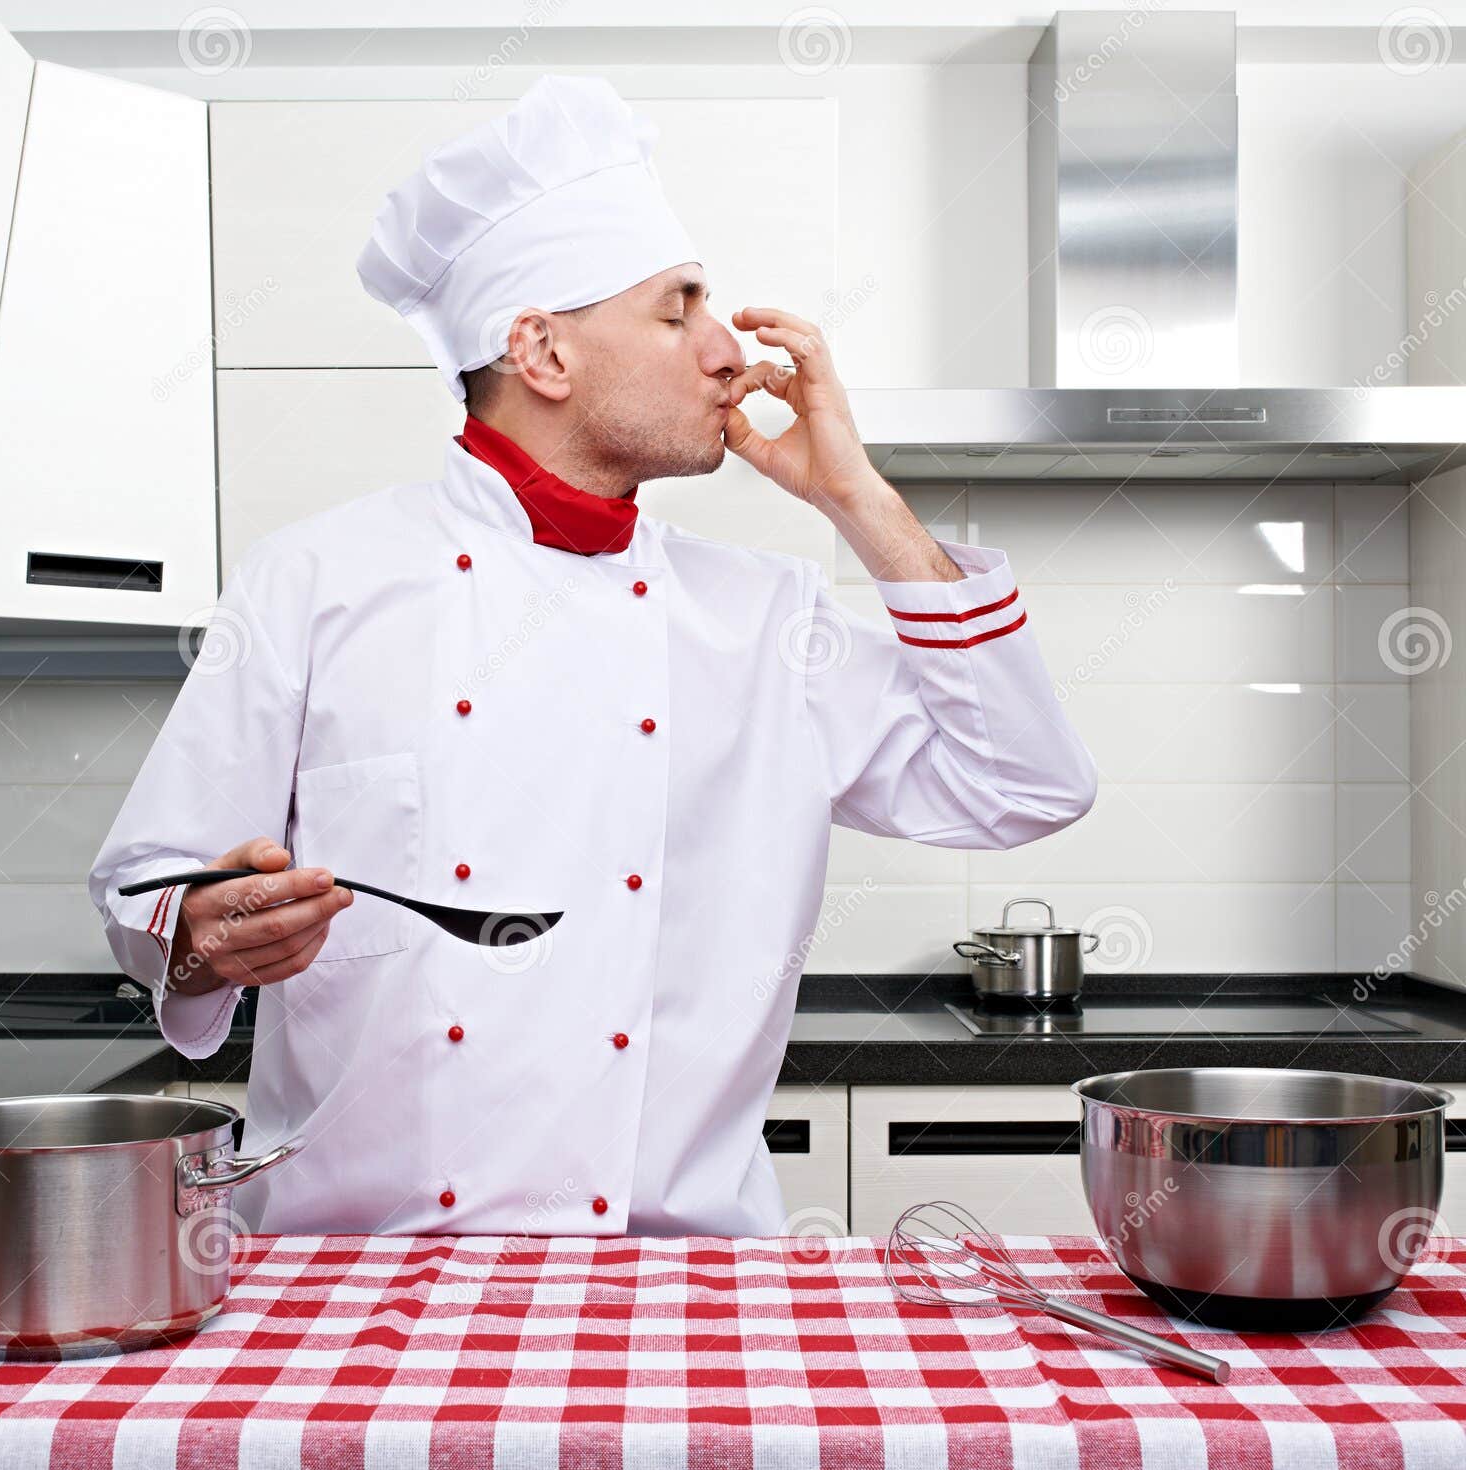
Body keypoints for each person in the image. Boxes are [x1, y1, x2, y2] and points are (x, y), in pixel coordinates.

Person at [87, 75, 1097, 1238]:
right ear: (542, 352)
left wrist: (860, 504)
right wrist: (205, 938)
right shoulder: (311, 581)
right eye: (679, 311)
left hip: (678, 1279)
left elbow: (1026, 785)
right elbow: (149, 887)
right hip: (356, 1279)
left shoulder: (765, 620)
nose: (731, 354)